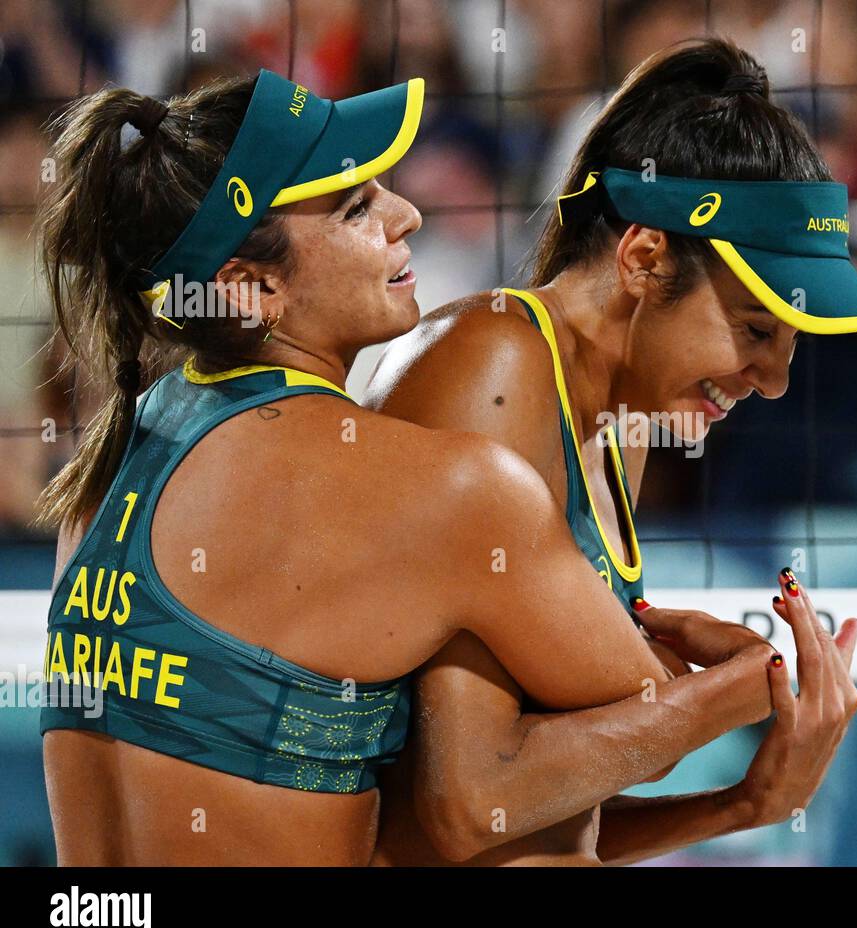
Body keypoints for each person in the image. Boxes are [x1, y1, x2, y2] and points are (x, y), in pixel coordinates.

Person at [38, 67, 782, 866]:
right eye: (357, 208)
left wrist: (734, 799)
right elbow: (641, 710)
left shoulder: (111, 464)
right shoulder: (440, 486)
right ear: (249, 288)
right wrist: (749, 683)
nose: (407, 213)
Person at [367, 38, 857, 865]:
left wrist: (743, 803)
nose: (774, 381)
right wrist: (729, 695)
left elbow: (548, 817)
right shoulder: (494, 368)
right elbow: (469, 807)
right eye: (757, 329)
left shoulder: (622, 423)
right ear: (645, 258)